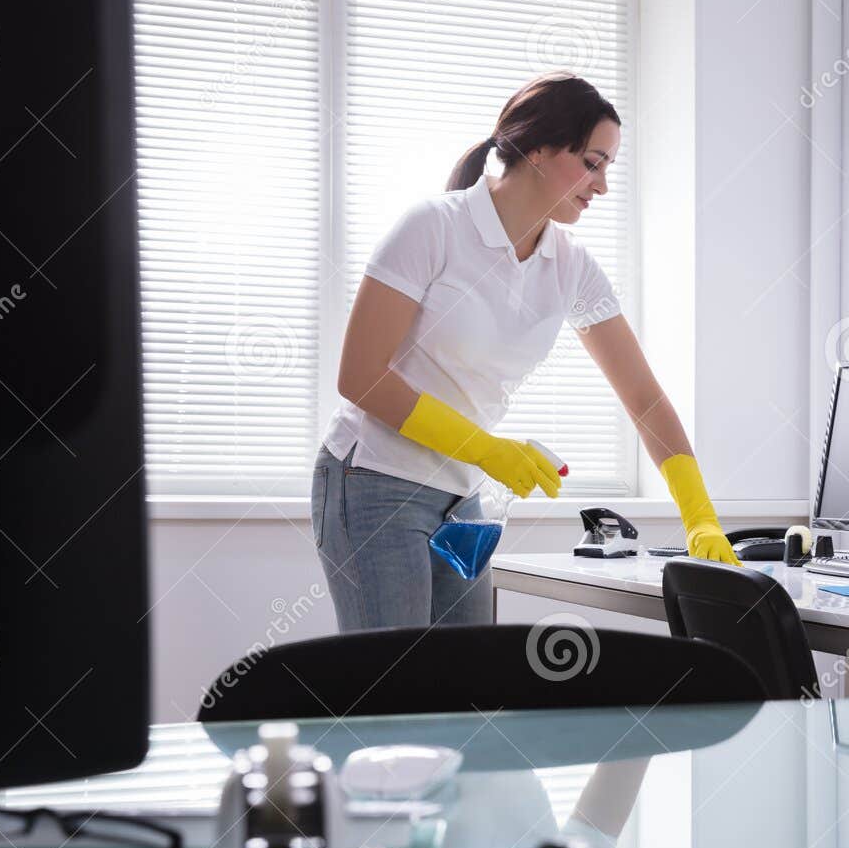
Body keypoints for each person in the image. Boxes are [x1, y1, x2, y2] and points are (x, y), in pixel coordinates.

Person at [312, 72, 739, 631]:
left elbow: (642, 396)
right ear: (537, 150)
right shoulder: (433, 228)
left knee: (465, 695)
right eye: (592, 162)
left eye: (608, 166)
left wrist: (700, 517)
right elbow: (361, 378)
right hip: (372, 481)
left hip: (460, 501)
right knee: (391, 695)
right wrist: (486, 449)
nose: (602, 185)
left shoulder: (571, 266)